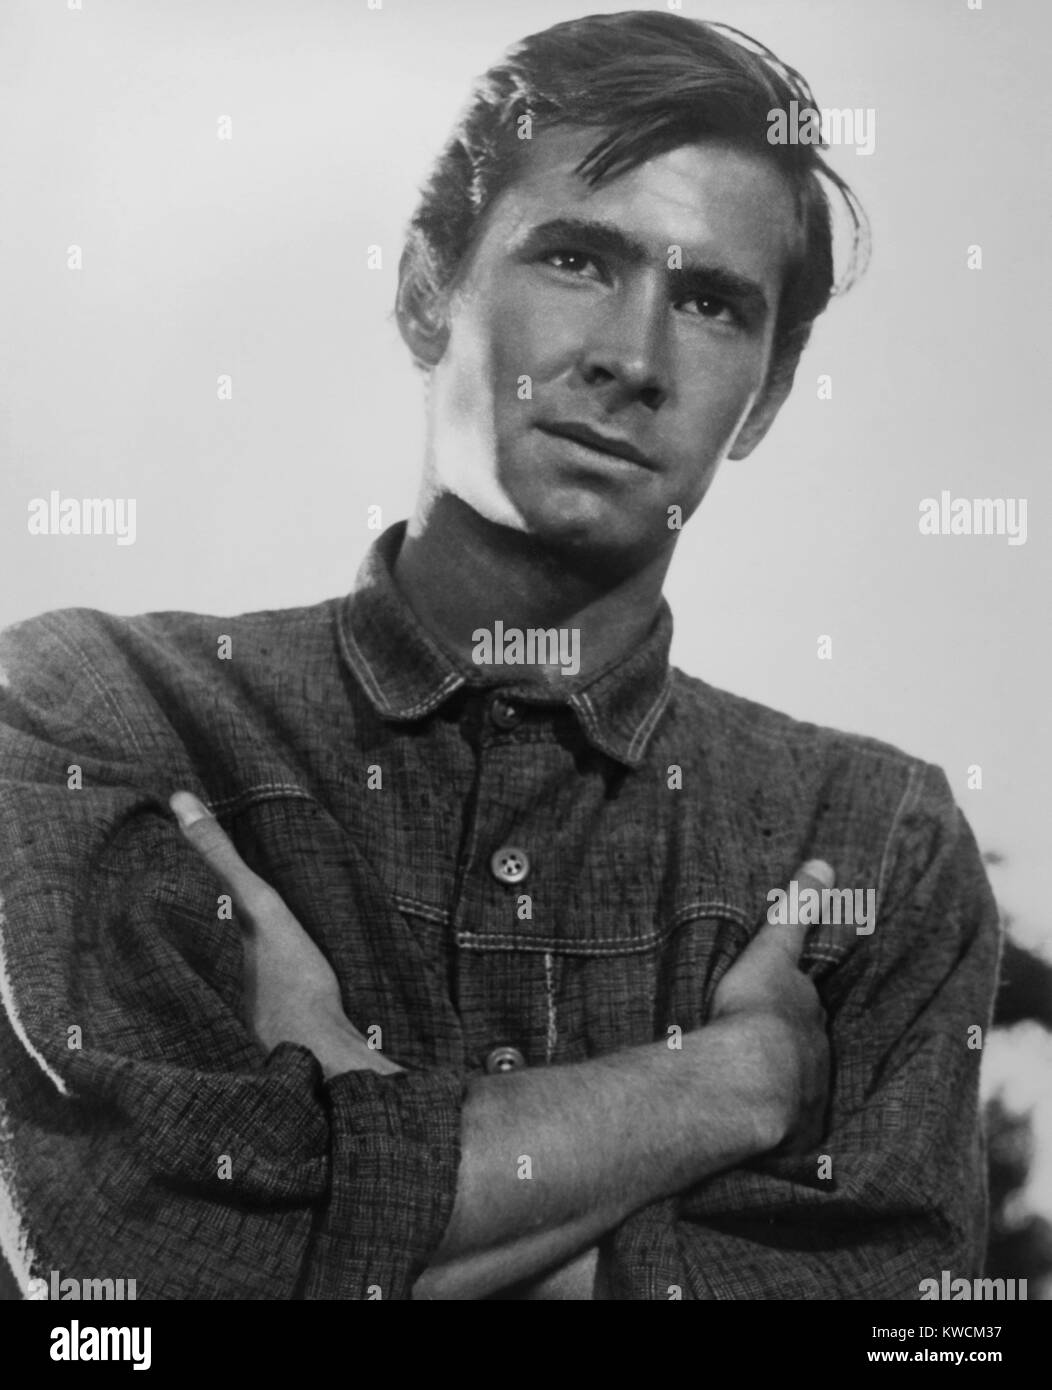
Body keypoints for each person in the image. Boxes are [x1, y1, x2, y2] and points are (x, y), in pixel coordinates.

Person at [0, 12, 999, 1301]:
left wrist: (338, 1170)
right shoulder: (100, 714)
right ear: (426, 291)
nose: (631, 359)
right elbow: (128, 1281)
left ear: (767, 392)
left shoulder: (873, 845)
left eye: (706, 301)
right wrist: (732, 1084)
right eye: (578, 259)